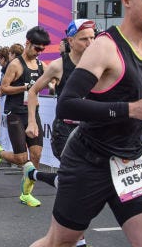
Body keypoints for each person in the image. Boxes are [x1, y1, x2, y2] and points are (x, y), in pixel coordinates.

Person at [30, 0, 142, 247]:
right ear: (126, 1)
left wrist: (139, 135)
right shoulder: (105, 47)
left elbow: (134, 103)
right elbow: (67, 105)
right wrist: (130, 111)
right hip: (88, 163)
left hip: (132, 162)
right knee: (58, 242)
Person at [23, 19, 96, 247]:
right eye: (84, 39)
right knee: (75, 183)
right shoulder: (58, 65)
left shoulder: (99, 63)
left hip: (88, 131)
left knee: (75, 183)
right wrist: (32, 122)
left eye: (93, 38)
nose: (90, 43)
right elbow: (33, 91)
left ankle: (33, 175)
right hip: (64, 131)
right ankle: (78, 240)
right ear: (71, 40)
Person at [0, 26, 49, 207]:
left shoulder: (41, 65)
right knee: (21, 158)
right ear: (27, 43)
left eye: (42, 50)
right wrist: (24, 87)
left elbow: (53, 79)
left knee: (37, 154)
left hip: (32, 112)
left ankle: (26, 193)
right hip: (14, 112)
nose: (39, 53)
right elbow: (3, 88)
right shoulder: (15, 65)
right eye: (37, 48)